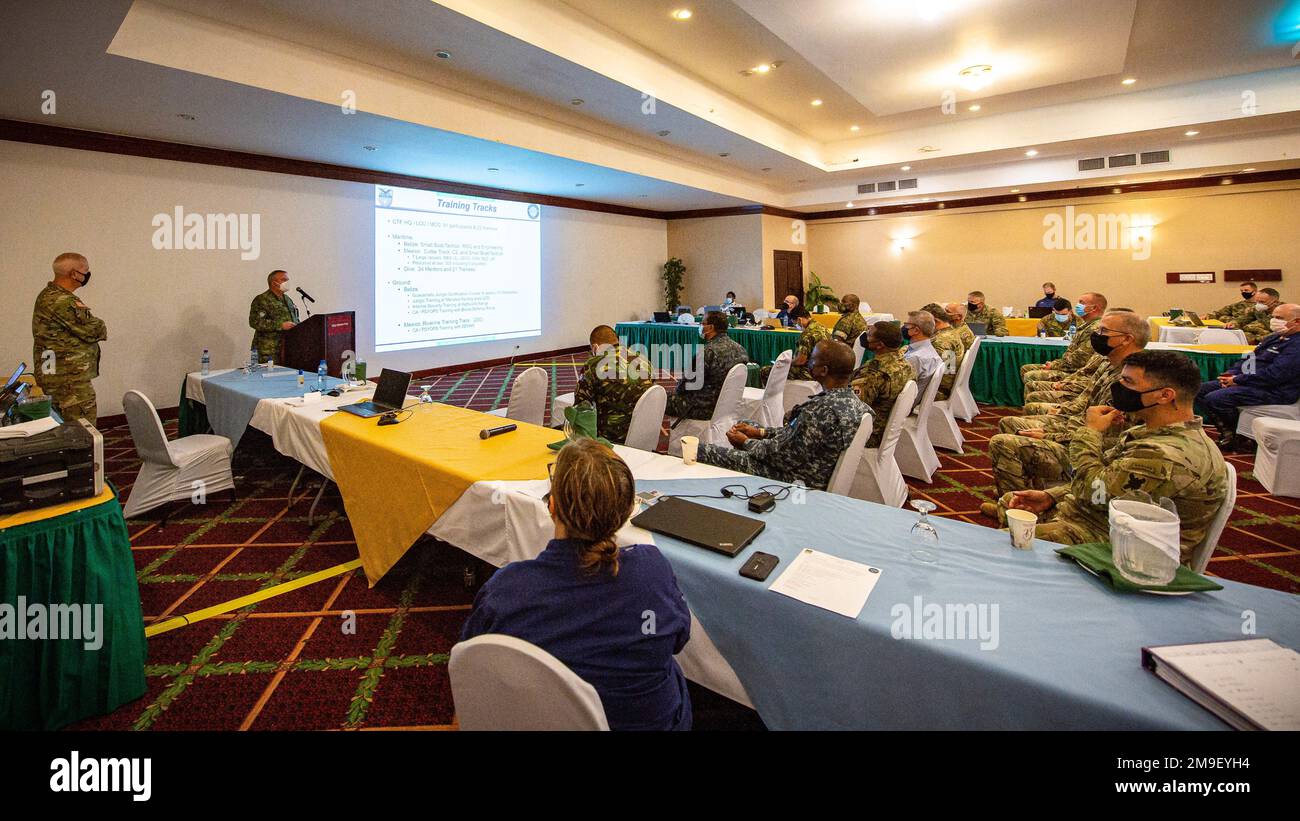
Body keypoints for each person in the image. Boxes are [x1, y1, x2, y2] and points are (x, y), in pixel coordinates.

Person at [460, 439, 692, 731]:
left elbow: (473, 658)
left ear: (553, 506)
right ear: (627, 511)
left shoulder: (507, 589)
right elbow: (679, 639)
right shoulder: (652, 571)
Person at [984, 350, 1227, 565]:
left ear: (1164, 395)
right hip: (1104, 518)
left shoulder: (1166, 455)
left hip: (1125, 546)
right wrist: (1050, 496)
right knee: (1011, 503)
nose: (1119, 388)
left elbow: (1094, 489)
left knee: (998, 548)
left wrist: (1089, 432)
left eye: (1128, 382)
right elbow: (1109, 478)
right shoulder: (1148, 431)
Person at [989, 310, 1149, 496]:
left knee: (1002, 443)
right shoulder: (1108, 364)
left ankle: (1020, 505)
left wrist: (1053, 436)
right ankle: (1023, 492)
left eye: (1103, 331)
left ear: (1126, 339)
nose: (1096, 335)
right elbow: (1084, 404)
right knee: (1009, 423)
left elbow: (1110, 438)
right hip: (1076, 429)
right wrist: (1058, 421)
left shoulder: (1134, 380)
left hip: (1093, 451)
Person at [698, 340, 869, 490]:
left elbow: (780, 457)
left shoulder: (819, 411)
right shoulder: (853, 402)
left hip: (794, 479)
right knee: (746, 423)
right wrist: (761, 433)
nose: (808, 362)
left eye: (813, 359)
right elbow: (795, 435)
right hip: (811, 466)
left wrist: (746, 442)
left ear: (824, 370)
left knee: (702, 451)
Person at [1196, 303, 1300, 450]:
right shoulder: (1274, 338)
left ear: (1297, 321)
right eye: (1273, 317)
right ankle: (1228, 433)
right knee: (1200, 390)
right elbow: (1249, 358)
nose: (1274, 321)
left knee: (1216, 398)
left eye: (1279, 318)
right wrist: (1232, 374)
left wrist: (1238, 380)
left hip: (1277, 390)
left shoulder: (1296, 345)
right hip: (1250, 381)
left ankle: (1238, 437)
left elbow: (1275, 375)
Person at [31, 252, 108, 424]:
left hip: (55, 374)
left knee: (65, 425)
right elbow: (93, 330)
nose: (87, 274)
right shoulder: (62, 300)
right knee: (83, 429)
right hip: (68, 379)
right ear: (74, 274)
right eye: (85, 270)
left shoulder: (48, 294)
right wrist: (100, 324)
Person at [573, 325, 653, 444]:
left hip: (610, 436)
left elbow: (582, 407)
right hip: (644, 430)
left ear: (595, 347)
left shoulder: (593, 365)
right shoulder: (643, 359)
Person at [664, 310, 749, 420]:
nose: (700, 326)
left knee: (660, 397)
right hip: (727, 406)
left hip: (702, 408)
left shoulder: (707, 352)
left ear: (711, 327)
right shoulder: (740, 349)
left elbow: (683, 387)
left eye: (702, 323)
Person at [1020, 291, 1108, 395]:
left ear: (1094, 308)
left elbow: (1078, 361)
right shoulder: (1087, 325)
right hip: (1070, 367)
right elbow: (1070, 353)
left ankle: (1037, 405)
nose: (1078, 305)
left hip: (1078, 373)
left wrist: (1054, 365)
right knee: (1026, 369)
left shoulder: (1094, 329)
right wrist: (1055, 364)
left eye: (1082, 303)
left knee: (1030, 376)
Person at [850, 322, 916, 448]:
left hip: (870, 433)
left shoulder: (873, 373)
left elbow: (852, 409)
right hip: (887, 430)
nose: (865, 337)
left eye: (869, 335)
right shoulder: (907, 365)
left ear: (880, 345)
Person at [249, 270, 300, 363]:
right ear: (274, 283)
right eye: (284, 280)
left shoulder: (287, 299)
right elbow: (254, 322)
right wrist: (280, 325)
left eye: (288, 280)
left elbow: (295, 319)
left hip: (287, 348)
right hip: (267, 351)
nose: (287, 282)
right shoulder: (262, 299)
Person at [775, 307, 831, 382]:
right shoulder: (823, 327)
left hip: (811, 372)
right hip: (826, 370)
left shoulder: (807, 334)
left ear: (799, 320)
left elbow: (801, 360)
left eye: (795, 323)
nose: (796, 326)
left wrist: (787, 363)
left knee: (768, 371)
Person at [922, 303, 965, 400]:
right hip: (943, 385)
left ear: (935, 321)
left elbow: (945, 371)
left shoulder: (941, 342)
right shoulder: (951, 333)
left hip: (938, 390)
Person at [902, 310, 943, 390]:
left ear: (916, 330)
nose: (904, 328)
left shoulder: (915, 358)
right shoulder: (929, 349)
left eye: (907, 325)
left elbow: (898, 389)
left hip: (908, 400)